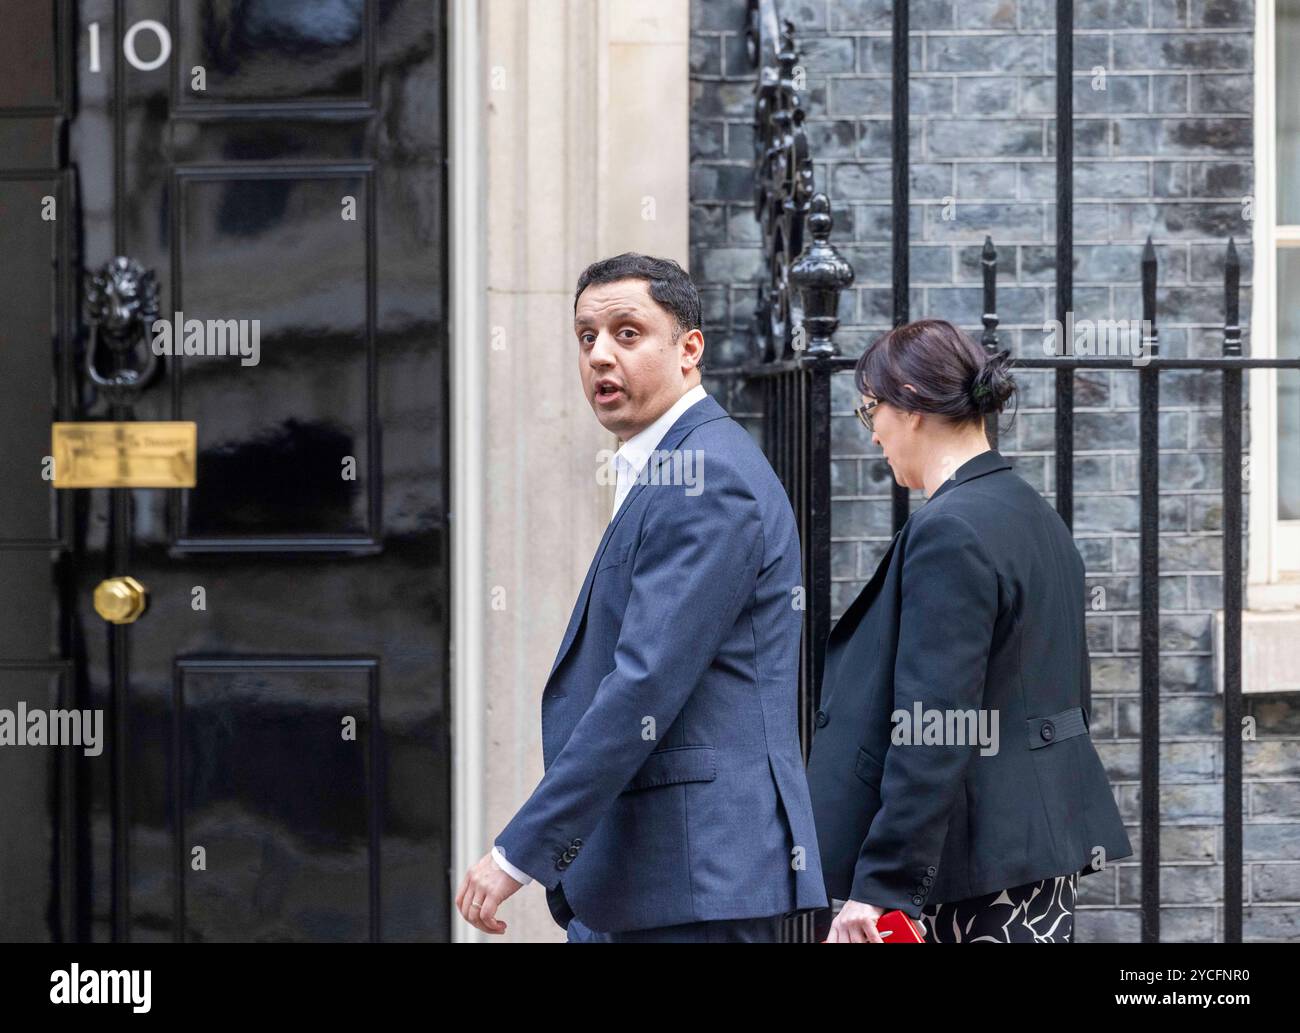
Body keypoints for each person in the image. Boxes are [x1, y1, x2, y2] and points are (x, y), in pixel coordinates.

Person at [456, 253, 827, 942]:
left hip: (696, 883)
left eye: (628, 333)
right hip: (653, 881)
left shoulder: (706, 476)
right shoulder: (672, 466)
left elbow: (644, 683)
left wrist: (517, 852)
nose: (600, 355)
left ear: (689, 350)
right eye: (586, 337)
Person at [806, 319, 1133, 943]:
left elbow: (936, 727)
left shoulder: (950, 530)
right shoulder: (1033, 514)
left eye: (871, 409)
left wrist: (881, 887)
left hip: (971, 876)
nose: (872, 432)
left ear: (911, 402)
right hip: (1035, 857)